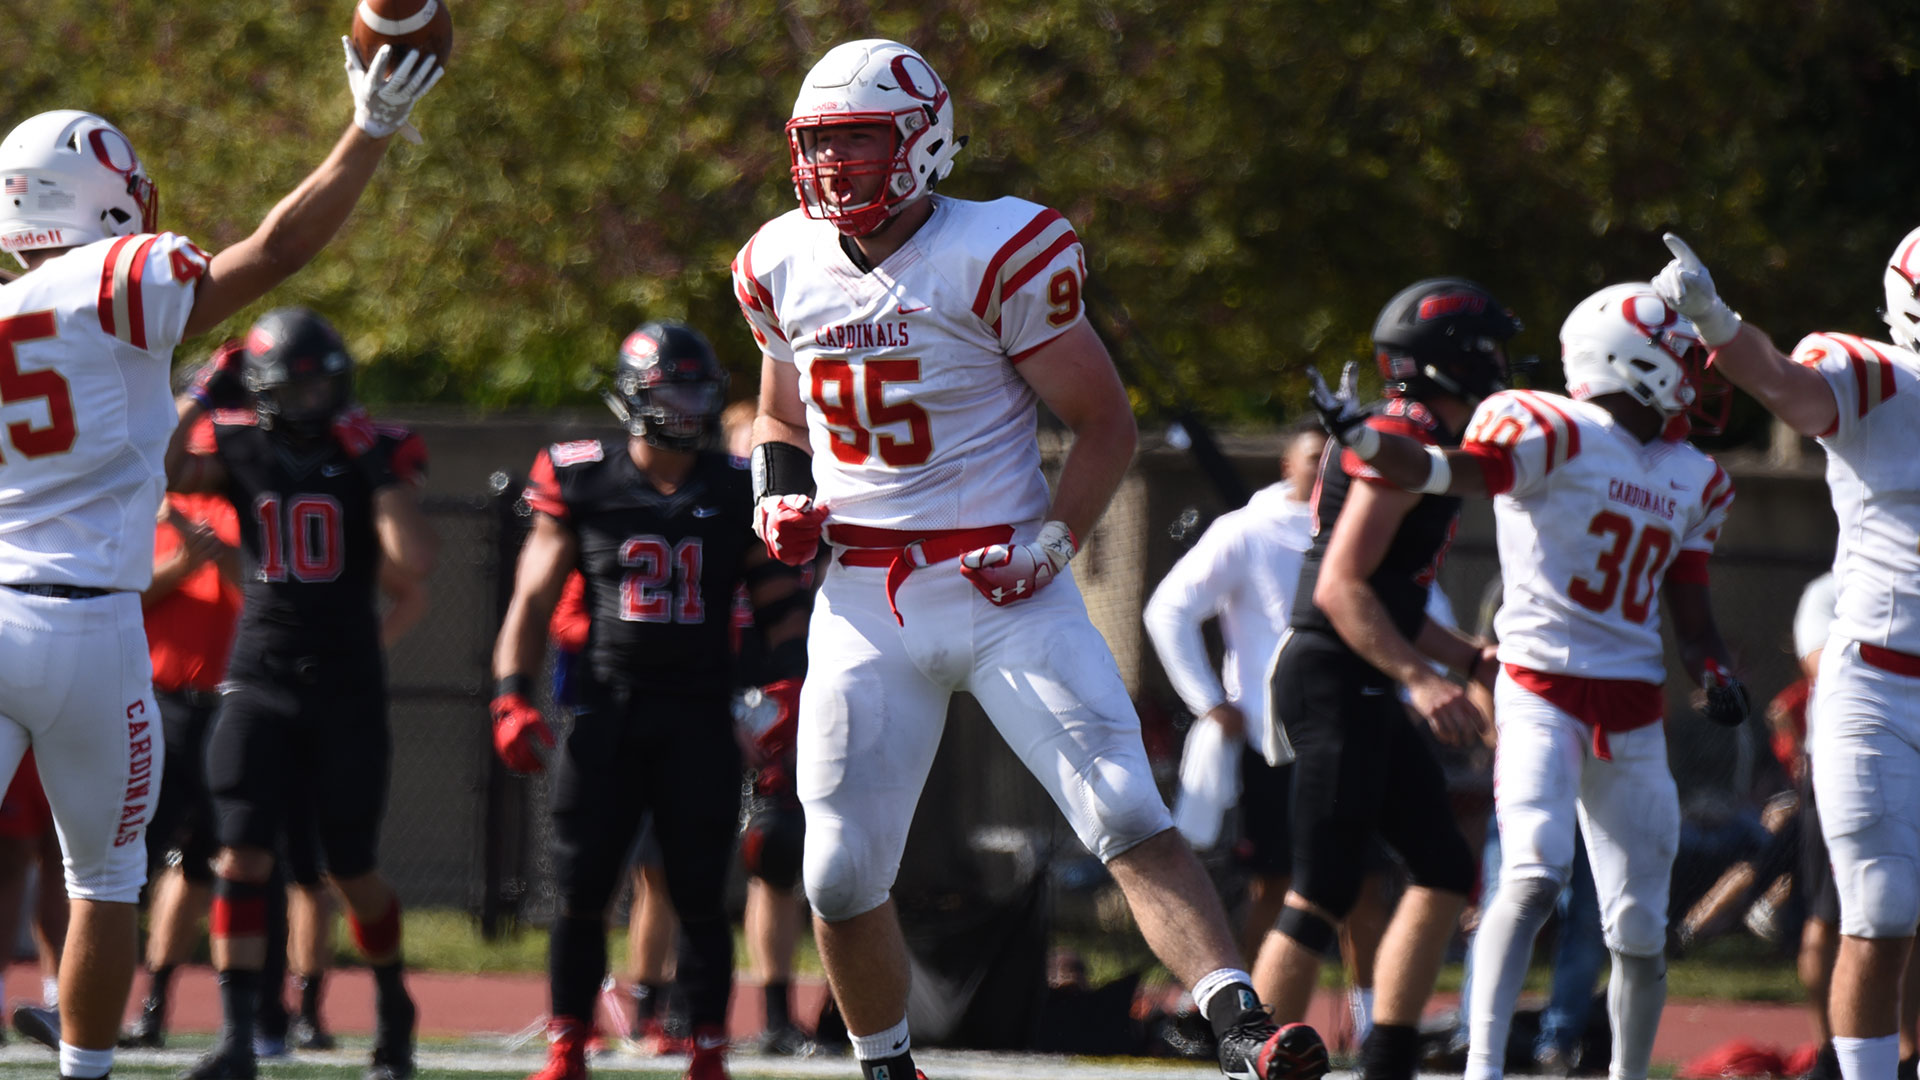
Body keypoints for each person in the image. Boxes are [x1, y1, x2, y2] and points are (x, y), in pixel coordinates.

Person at [734, 37, 1327, 1080]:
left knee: (1124, 805)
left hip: (1002, 585)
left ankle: (1240, 1023)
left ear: (923, 142)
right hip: (867, 597)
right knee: (834, 869)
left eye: (860, 141)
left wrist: (1056, 540)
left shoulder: (998, 249)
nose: (834, 166)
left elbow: (1104, 423)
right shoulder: (778, 260)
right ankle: (886, 1065)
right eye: (820, 143)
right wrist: (776, 494)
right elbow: (783, 412)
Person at [0, 41, 441, 1080]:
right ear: (107, 200)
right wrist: (368, 131)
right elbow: (279, 249)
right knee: (104, 878)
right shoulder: (121, 278)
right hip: (99, 629)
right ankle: (86, 1075)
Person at [1313, 280, 1750, 1080]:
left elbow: (1692, 613)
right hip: (1540, 686)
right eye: (1686, 355)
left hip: (1632, 705)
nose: (1698, 373)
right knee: (1534, 870)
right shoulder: (1554, 427)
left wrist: (1714, 670)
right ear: (1634, 359)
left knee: (1640, 931)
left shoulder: (1696, 476)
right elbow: (1450, 472)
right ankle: (1483, 1069)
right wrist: (1370, 444)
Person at [491, 320, 809, 1080]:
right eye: (673, 387)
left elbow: (782, 608)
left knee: (699, 891)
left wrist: (793, 686)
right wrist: (511, 695)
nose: (690, 404)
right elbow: (531, 602)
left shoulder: (736, 489)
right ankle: (568, 1042)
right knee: (581, 888)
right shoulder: (584, 477)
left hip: (699, 711)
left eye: (700, 388)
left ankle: (706, 1046)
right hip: (607, 711)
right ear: (633, 394)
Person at [1651, 231, 1920, 1080]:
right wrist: (1717, 321)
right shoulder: (1880, 375)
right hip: (1878, 687)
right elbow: (1783, 384)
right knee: (1879, 908)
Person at [168, 307, 440, 1080]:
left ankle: (393, 1005)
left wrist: (377, 472)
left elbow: (413, 559)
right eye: (294, 386)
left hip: (346, 682)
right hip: (259, 674)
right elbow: (157, 472)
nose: (311, 401)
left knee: (349, 864)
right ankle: (236, 1035)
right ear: (260, 389)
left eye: (322, 384)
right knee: (241, 856)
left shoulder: (375, 450)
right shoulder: (239, 441)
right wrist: (195, 390)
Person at [1260, 278, 1512, 1080]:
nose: (1501, 368)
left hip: (1358, 670)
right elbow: (1342, 587)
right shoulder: (1399, 438)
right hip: (1335, 671)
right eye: (1490, 352)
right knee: (1323, 884)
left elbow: (1394, 596)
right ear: (1454, 358)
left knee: (1442, 863)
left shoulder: (1410, 438)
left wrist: (1465, 658)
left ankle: (1390, 1056)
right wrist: (1425, 678)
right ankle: (1249, 1059)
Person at [120, 421, 244, 1051]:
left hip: (232, 704)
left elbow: (266, 602)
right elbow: (123, 596)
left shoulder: (250, 508)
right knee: (132, 856)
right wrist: (182, 560)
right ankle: (110, 1000)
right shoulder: (151, 507)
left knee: (208, 860)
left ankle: (180, 1006)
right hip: (160, 701)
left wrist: (225, 561)